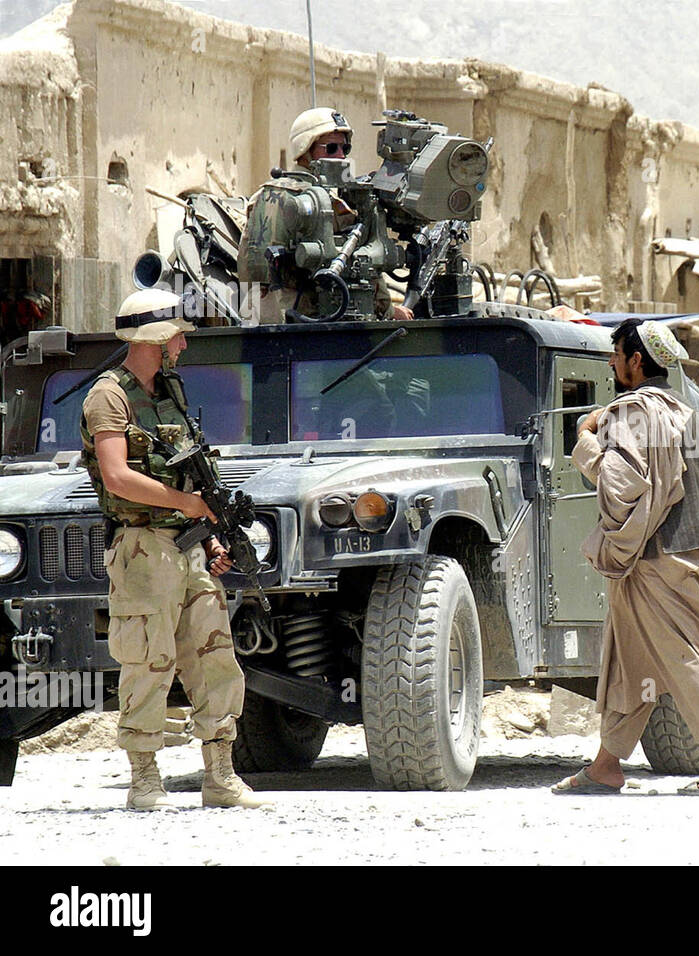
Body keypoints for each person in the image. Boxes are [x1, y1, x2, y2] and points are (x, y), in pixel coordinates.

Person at [81, 288, 268, 810]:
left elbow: (186, 469)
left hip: (185, 547)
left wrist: (209, 535)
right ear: (156, 339)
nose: (184, 343)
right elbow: (117, 477)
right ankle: (144, 780)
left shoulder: (171, 391)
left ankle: (220, 777)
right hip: (141, 548)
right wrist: (187, 504)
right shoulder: (108, 396)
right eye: (178, 335)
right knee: (148, 660)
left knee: (214, 656)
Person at [552, 318, 699, 796]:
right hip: (679, 556)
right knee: (630, 661)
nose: (611, 362)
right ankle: (606, 764)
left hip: (649, 560)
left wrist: (584, 439)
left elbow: (621, 484)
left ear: (636, 362)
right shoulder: (689, 416)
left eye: (616, 354)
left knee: (681, 657)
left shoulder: (629, 413)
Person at [238, 107, 413, 324]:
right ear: (305, 150)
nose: (340, 155)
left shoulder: (338, 199)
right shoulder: (282, 197)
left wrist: (386, 311)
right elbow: (259, 278)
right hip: (294, 323)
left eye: (344, 148)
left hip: (326, 317)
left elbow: (364, 264)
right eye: (331, 148)